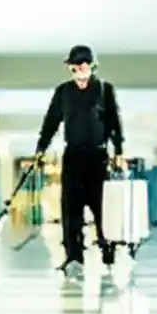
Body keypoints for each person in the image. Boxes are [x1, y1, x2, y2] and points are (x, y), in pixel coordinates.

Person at [36, 45, 125, 278]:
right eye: (74, 66)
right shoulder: (63, 92)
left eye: (83, 65)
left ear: (91, 66)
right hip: (73, 156)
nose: (79, 70)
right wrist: (40, 149)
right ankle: (74, 255)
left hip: (98, 157)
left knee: (102, 207)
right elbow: (51, 122)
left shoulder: (105, 90)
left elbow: (114, 121)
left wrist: (119, 150)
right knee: (71, 208)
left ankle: (107, 244)